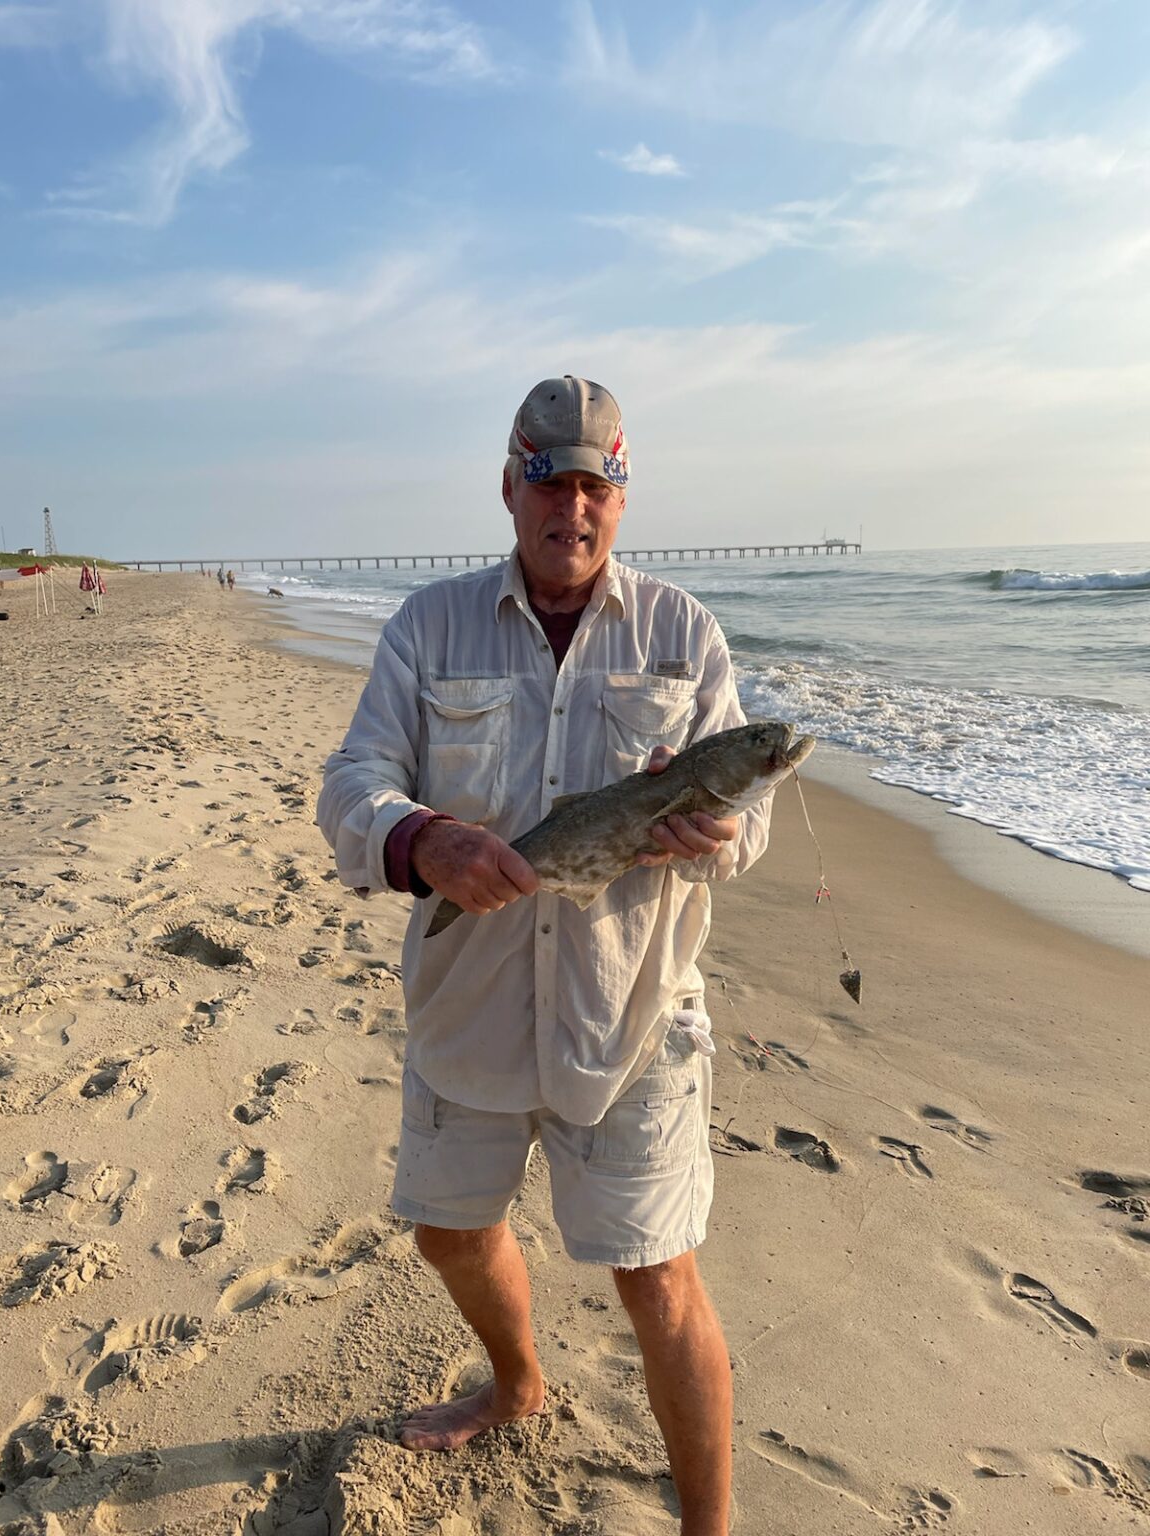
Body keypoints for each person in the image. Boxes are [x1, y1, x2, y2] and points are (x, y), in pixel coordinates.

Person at [317, 377, 777, 1536]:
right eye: (548, 479)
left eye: (593, 483)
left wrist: (716, 831)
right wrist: (423, 839)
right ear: (510, 482)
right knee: (450, 1229)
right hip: (468, 1006)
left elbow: (750, 820)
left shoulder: (686, 634)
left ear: (621, 494)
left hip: (632, 1014)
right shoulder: (428, 626)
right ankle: (517, 1380)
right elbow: (350, 788)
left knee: (656, 1274)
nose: (570, 505)